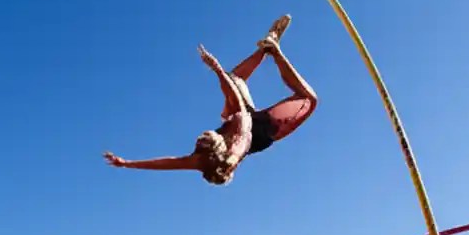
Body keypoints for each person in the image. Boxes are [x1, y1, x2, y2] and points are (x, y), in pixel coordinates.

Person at [103, 15, 318, 185]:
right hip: (263, 129)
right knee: (309, 99)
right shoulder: (237, 142)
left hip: (240, 116)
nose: (202, 135)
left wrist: (127, 163)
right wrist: (216, 69)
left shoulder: (199, 160)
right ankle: (276, 54)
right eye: (205, 138)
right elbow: (236, 101)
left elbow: (167, 163)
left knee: (236, 78)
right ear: (216, 147)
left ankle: (268, 46)